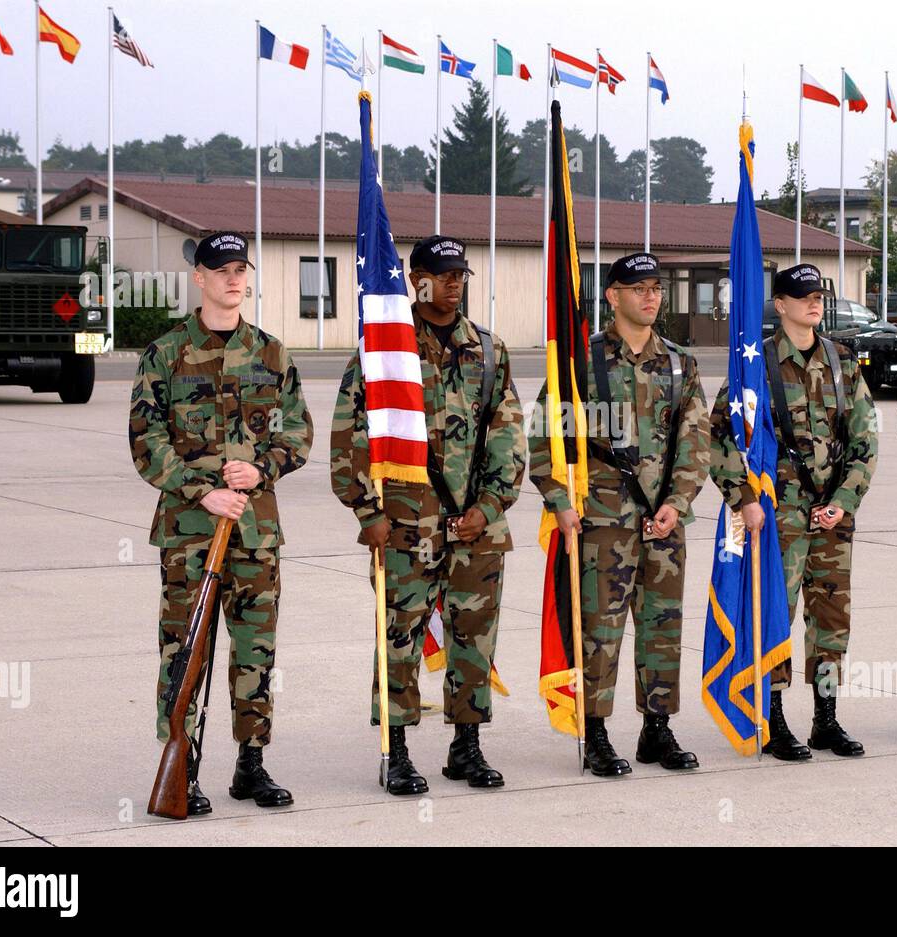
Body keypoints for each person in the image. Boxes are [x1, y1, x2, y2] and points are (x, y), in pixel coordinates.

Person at [331, 235, 525, 795]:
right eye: (441, 274)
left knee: (474, 638)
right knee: (400, 637)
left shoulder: (489, 350)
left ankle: (467, 747)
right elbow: (351, 437)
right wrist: (367, 511)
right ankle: (396, 751)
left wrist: (488, 507)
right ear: (415, 278)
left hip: (477, 529)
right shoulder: (384, 348)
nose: (453, 283)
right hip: (405, 526)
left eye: (460, 274)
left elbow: (509, 439)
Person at [130, 231, 313, 812]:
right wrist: (202, 491)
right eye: (222, 269)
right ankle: (182, 766)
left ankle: (251, 765)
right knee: (186, 650)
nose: (234, 279)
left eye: (241, 268)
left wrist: (262, 470)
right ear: (199, 278)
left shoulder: (272, 353)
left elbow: (297, 432)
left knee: (256, 648)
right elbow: (145, 440)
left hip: (255, 532)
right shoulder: (165, 353)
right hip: (190, 533)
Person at [528, 252, 708, 776]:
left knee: (662, 627)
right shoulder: (580, 364)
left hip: (664, 523)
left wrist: (677, 502)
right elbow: (546, 438)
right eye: (638, 288)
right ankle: (597, 731)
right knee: (600, 632)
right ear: (612, 296)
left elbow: (695, 440)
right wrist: (560, 504)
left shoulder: (680, 363)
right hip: (601, 520)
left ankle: (657, 728)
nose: (651, 297)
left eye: (656, 288)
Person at [709, 263, 878, 759]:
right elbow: (719, 436)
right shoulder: (755, 365)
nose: (813, 303)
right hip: (776, 518)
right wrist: (742, 499)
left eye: (818, 295)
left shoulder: (842, 360)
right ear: (779, 305)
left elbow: (865, 439)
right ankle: (774, 718)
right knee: (775, 618)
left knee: (830, 620)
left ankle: (826, 718)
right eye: (802, 296)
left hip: (832, 517)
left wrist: (844, 501)